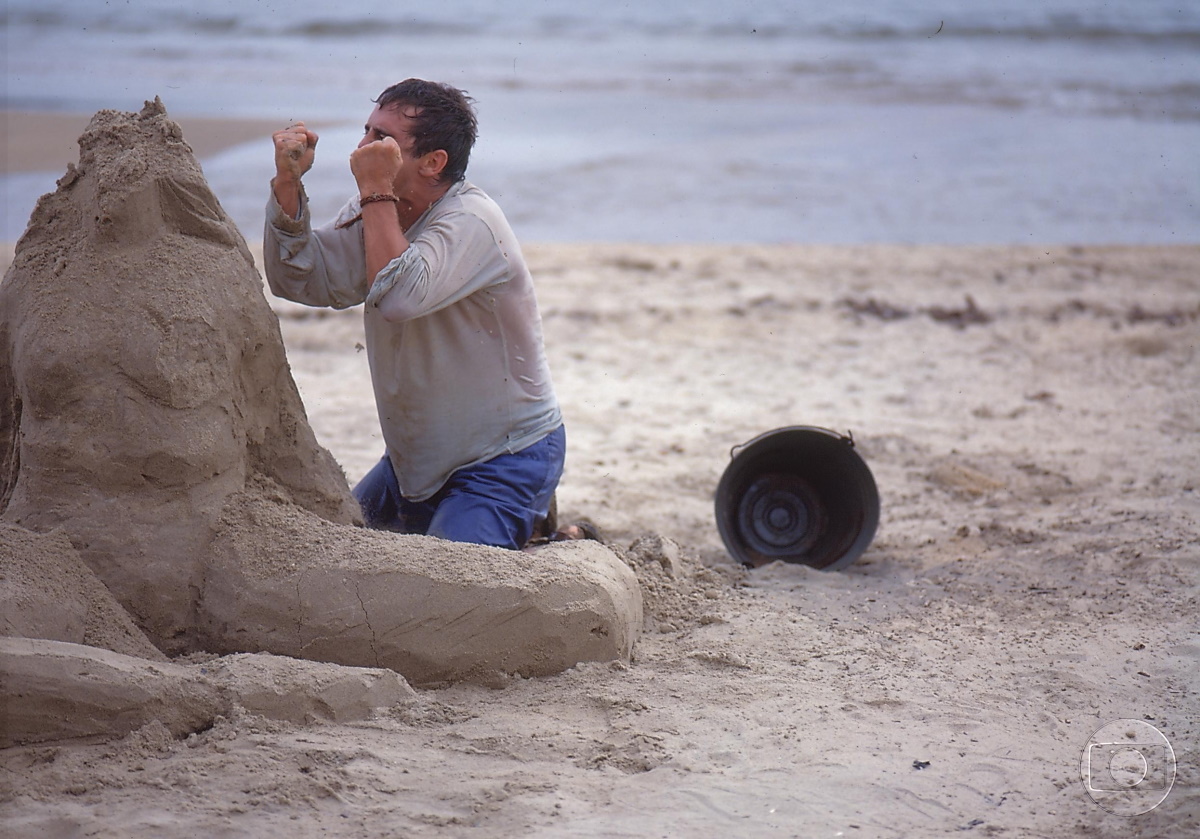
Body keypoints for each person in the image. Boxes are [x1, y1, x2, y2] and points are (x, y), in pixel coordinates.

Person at [263, 78, 574, 550]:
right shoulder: (378, 209)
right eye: (366, 132)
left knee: (451, 581)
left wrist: (374, 191)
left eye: (381, 140)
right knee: (334, 549)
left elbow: (399, 298)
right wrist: (288, 184)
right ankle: (521, 528)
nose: (361, 151)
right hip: (412, 465)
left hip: (503, 457)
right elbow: (302, 279)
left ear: (433, 163)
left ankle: (550, 533)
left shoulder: (472, 221)